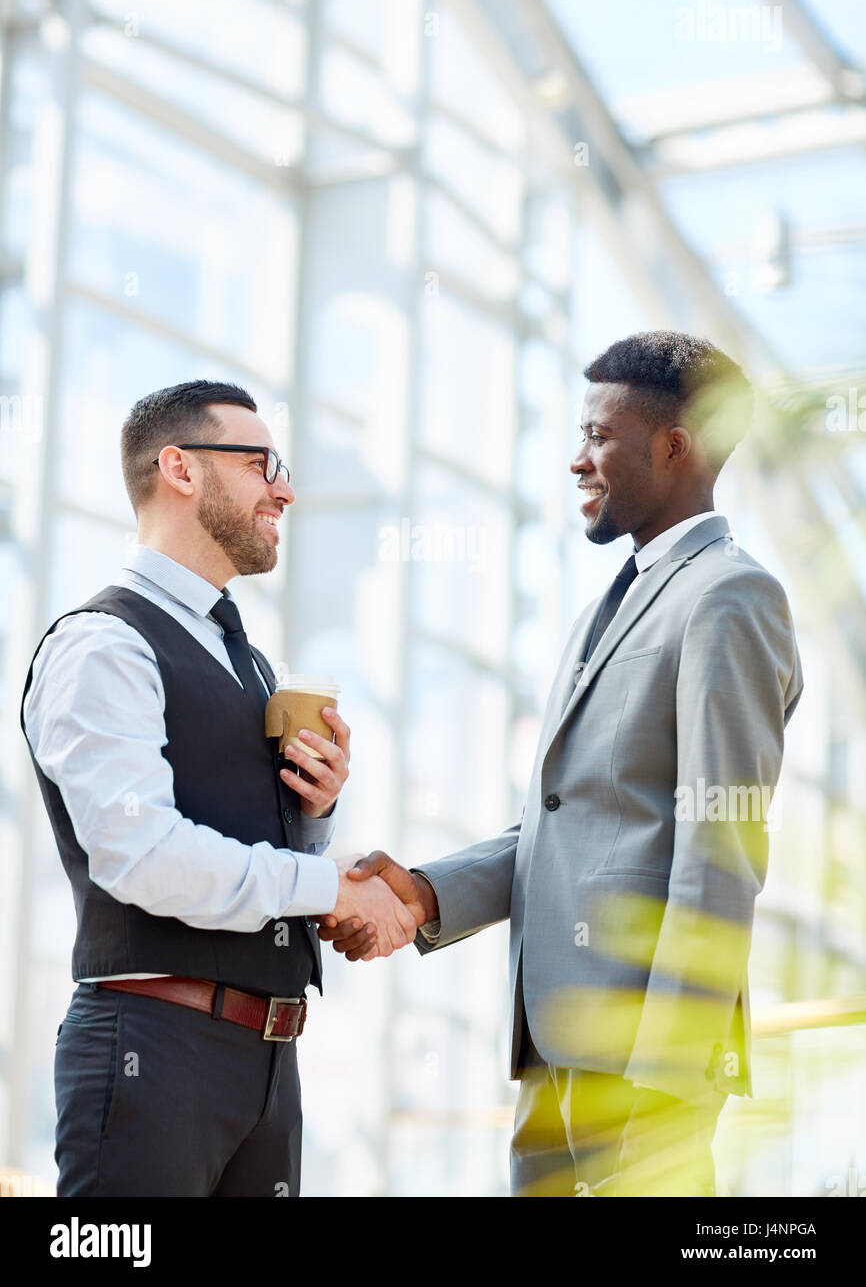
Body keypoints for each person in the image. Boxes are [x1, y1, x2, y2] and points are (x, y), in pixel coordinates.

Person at [320, 332, 804, 1197]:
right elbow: (566, 822)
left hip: (642, 1065)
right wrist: (429, 892)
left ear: (673, 446)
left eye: (596, 436)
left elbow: (719, 845)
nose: (577, 461)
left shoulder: (729, 596)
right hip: (553, 1051)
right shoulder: (601, 612)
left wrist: (668, 1071)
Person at [21, 379, 416, 1197]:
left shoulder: (247, 658)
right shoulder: (105, 645)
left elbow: (245, 844)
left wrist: (313, 813)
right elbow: (143, 857)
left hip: (267, 1062)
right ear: (180, 469)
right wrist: (327, 886)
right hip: (154, 1056)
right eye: (261, 462)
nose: (286, 488)